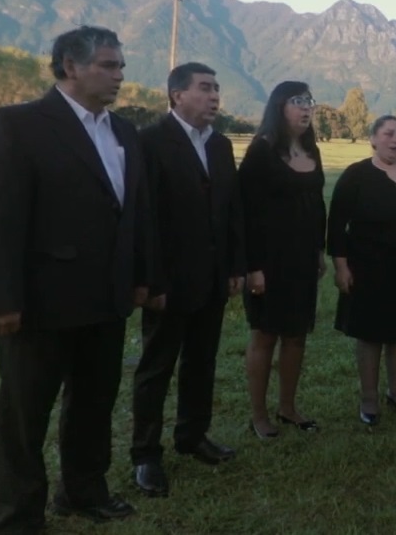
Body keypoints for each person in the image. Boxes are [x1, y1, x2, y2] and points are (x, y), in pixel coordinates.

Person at [0, 26, 157, 533]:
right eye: (108, 65)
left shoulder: (123, 133)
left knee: (94, 404)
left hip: (106, 298)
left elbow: (134, 211)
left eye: (120, 66)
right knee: (23, 416)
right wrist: (1, 299)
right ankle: (16, 516)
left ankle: (83, 491)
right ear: (70, 67)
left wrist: (140, 277)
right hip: (39, 303)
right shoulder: (17, 125)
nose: (119, 75)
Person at [130, 62, 244, 498]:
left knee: (202, 361)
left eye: (217, 88)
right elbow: (146, 218)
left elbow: (230, 211)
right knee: (156, 367)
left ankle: (192, 436)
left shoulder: (220, 146)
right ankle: (145, 455)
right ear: (177, 95)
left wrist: (234, 266)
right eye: (204, 88)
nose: (214, 96)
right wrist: (151, 280)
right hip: (169, 282)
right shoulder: (151, 142)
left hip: (213, 279)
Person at [329, 116, 396, 425]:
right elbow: (336, 226)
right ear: (373, 139)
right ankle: (369, 398)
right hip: (366, 269)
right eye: (388, 134)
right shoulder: (356, 175)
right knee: (370, 335)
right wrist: (341, 267)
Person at [238, 81, 327, 437]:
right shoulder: (261, 151)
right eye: (297, 101)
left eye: (309, 101)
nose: (306, 108)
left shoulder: (313, 150)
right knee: (265, 336)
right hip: (268, 262)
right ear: (279, 107)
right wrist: (252, 267)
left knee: (296, 335)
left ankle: (288, 407)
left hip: (303, 260)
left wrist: (319, 251)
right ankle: (259, 415)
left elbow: (317, 205)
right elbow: (244, 212)